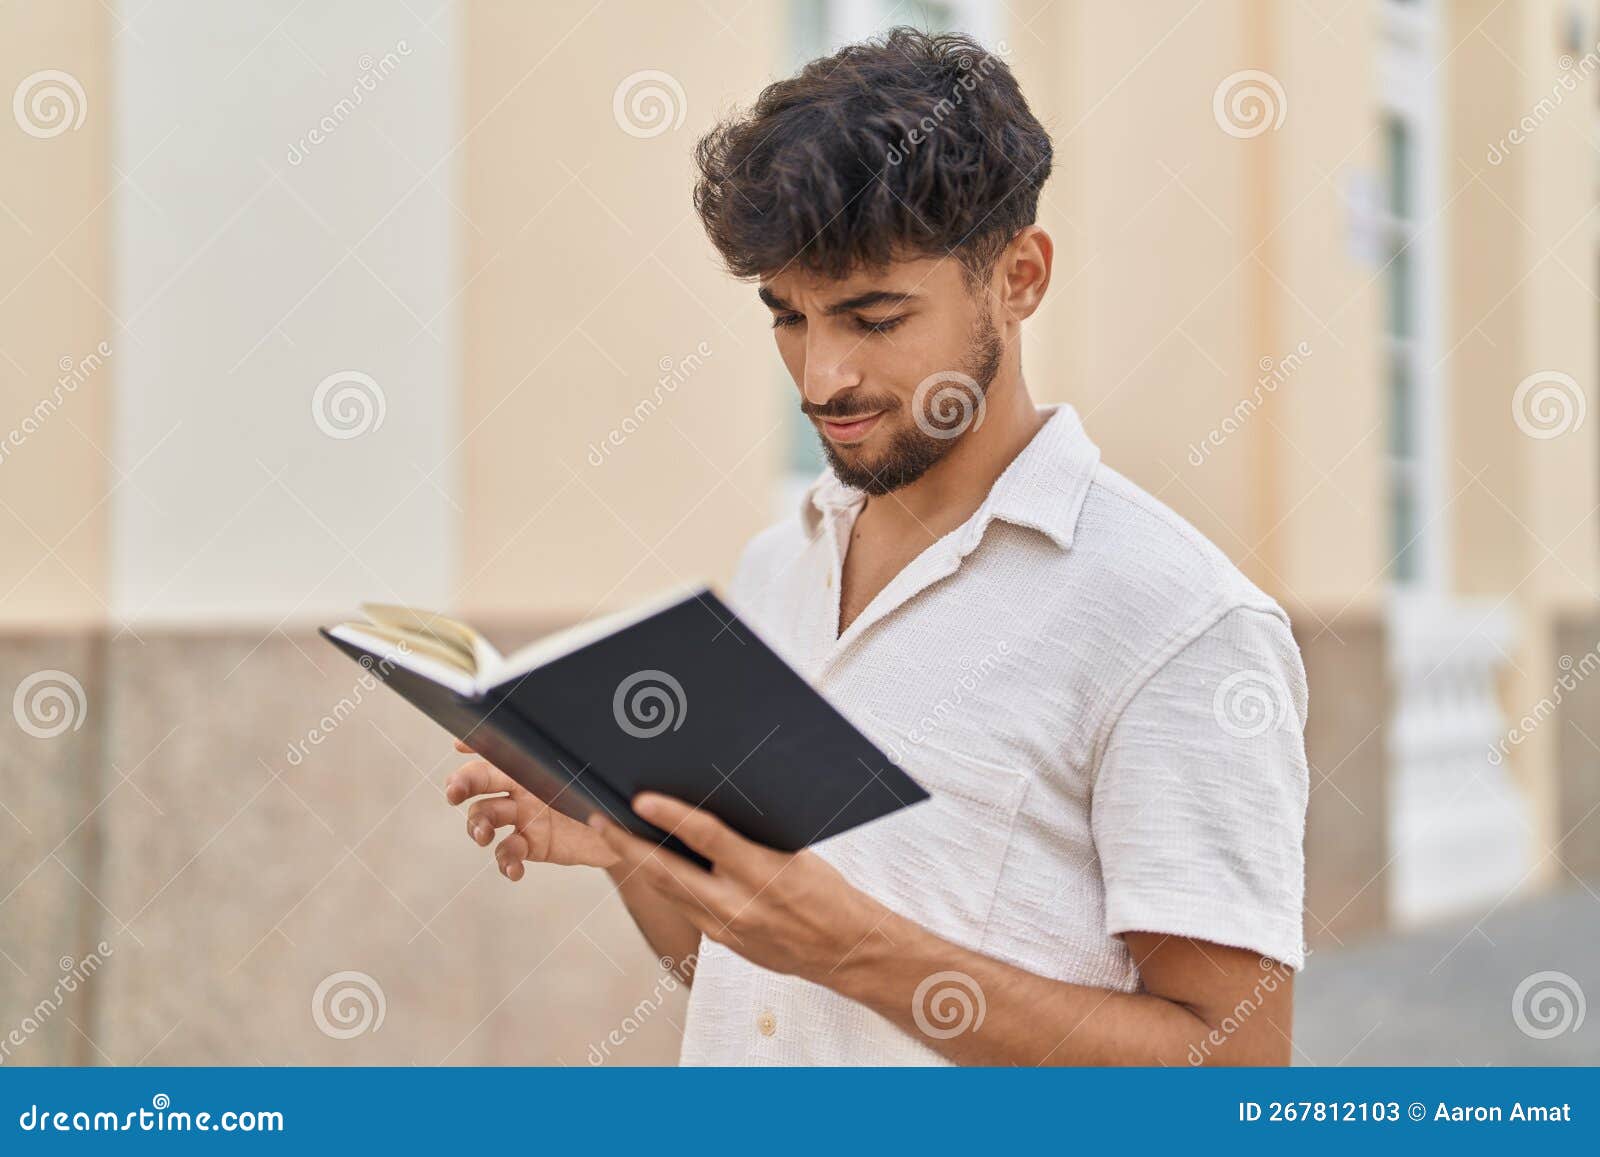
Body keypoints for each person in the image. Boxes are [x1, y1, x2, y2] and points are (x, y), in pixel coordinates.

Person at [445, 27, 1308, 1066]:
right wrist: (627, 843)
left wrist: (856, 947)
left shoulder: (1178, 622)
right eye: (789, 319)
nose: (821, 378)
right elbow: (756, 988)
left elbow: (1232, 1072)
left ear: (1019, 277)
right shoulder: (779, 565)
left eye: (873, 316)